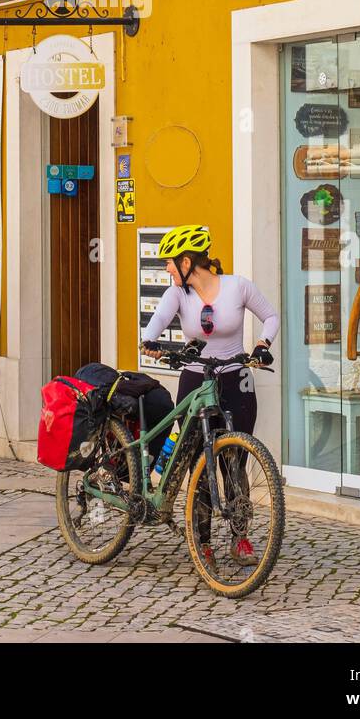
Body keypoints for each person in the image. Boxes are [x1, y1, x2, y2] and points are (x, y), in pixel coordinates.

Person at [141, 223, 278, 566]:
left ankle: (240, 538)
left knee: (235, 461)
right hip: (195, 381)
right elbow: (156, 323)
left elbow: (271, 317)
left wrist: (262, 345)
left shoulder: (237, 286)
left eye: (170, 262)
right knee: (197, 465)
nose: (167, 269)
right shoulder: (177, 294)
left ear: (187, 262)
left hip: (235, 381)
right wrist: (151, 342)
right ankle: (202, 543)